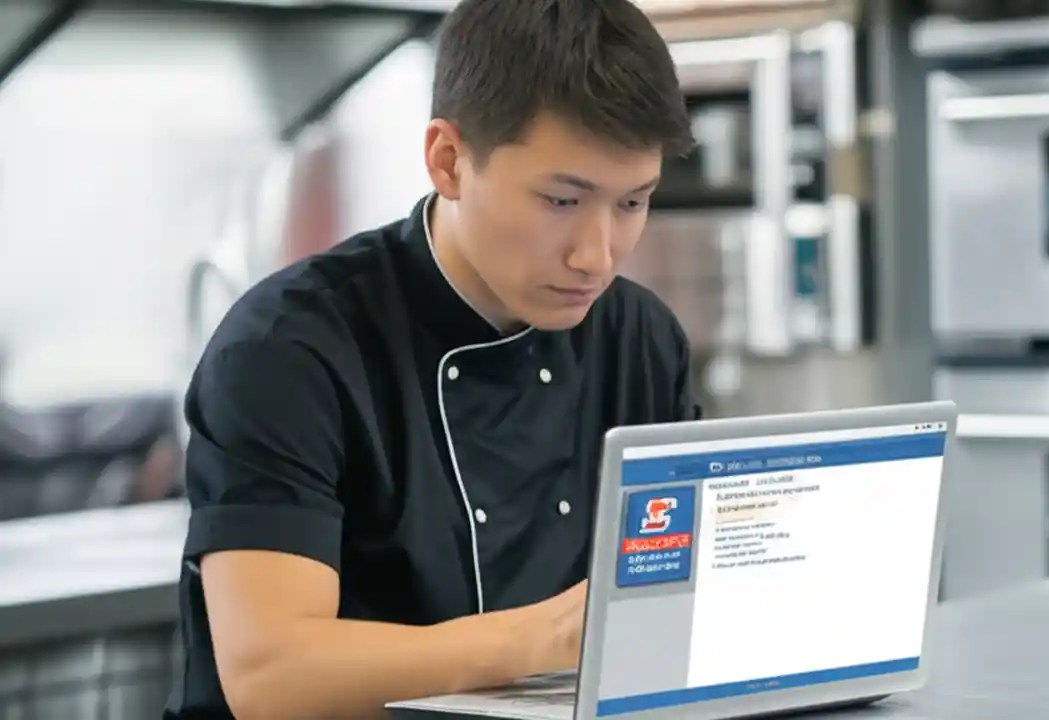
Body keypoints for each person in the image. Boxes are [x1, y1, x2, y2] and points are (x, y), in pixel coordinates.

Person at [163, 1, 697, 717]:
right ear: (448, 160)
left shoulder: (640, 339)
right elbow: (273, 676)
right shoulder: (290, 350)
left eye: (633, 203)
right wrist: (545, 637)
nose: (595, 256)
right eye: (562, 199)